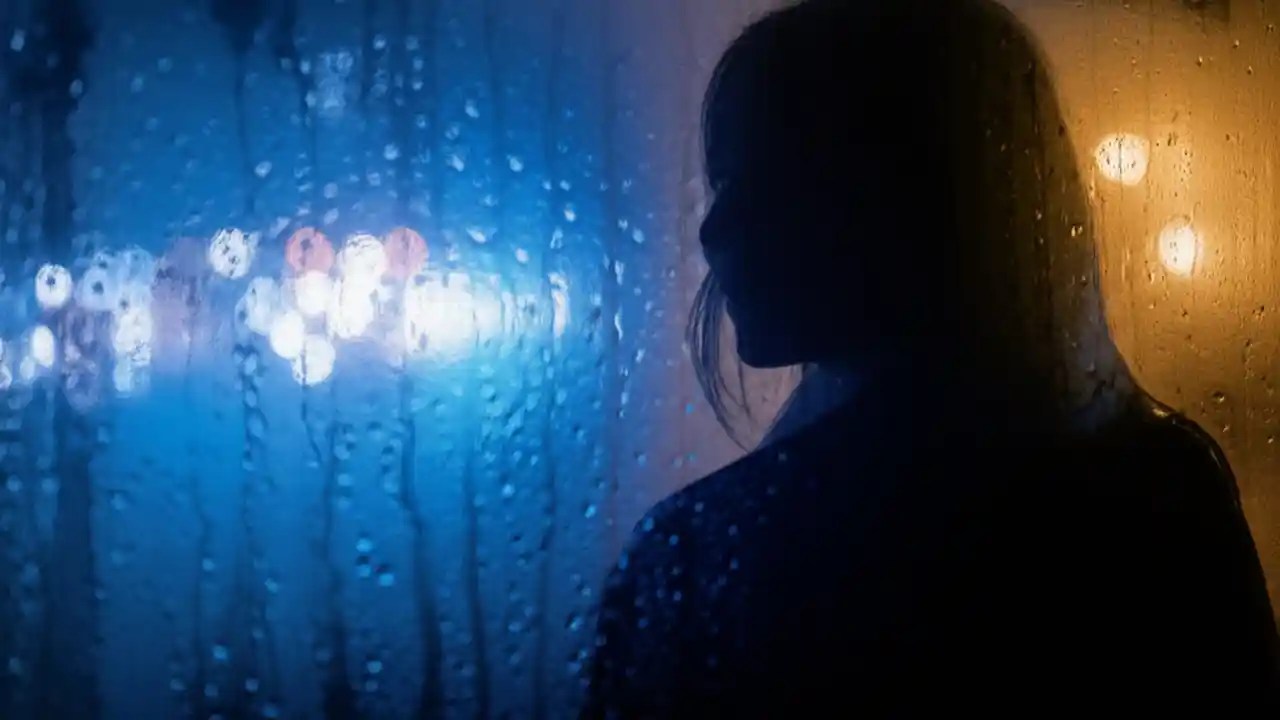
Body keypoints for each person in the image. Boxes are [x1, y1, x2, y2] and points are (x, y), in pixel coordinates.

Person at [583, 0, 1279, 716]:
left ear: (906, 194)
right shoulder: (1157, 494)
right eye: (726, 181)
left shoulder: (700, 556)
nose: (713, 228)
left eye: (768, 181)